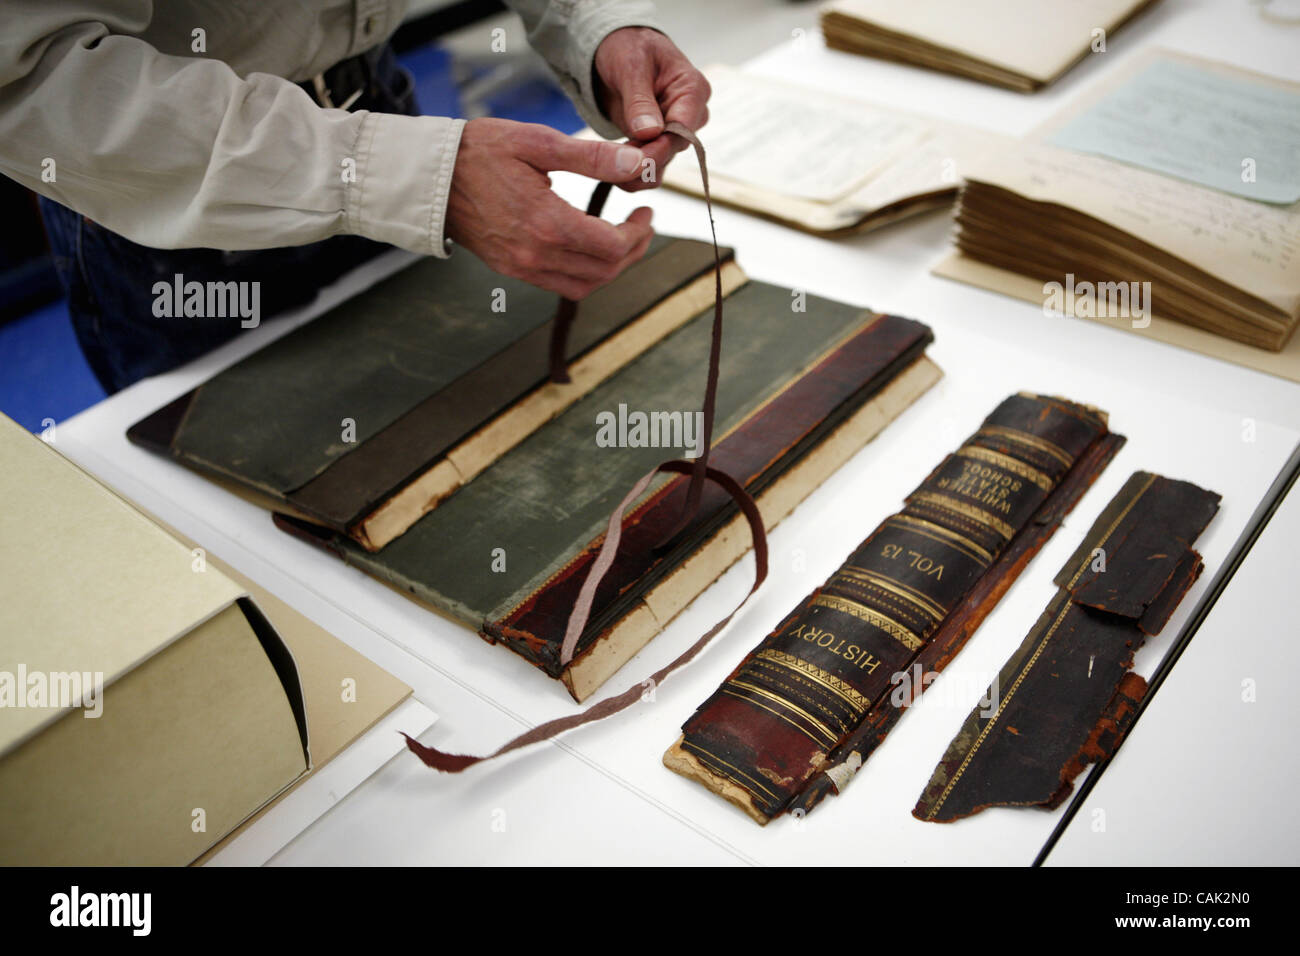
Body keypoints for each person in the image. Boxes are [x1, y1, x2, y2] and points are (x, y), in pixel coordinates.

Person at [0, 1, 710, 392]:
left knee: (446, 421)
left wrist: (596, 25)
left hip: (378, 98)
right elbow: (28, 80)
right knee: (252, 546)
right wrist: (405, 176)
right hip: (170, 199)